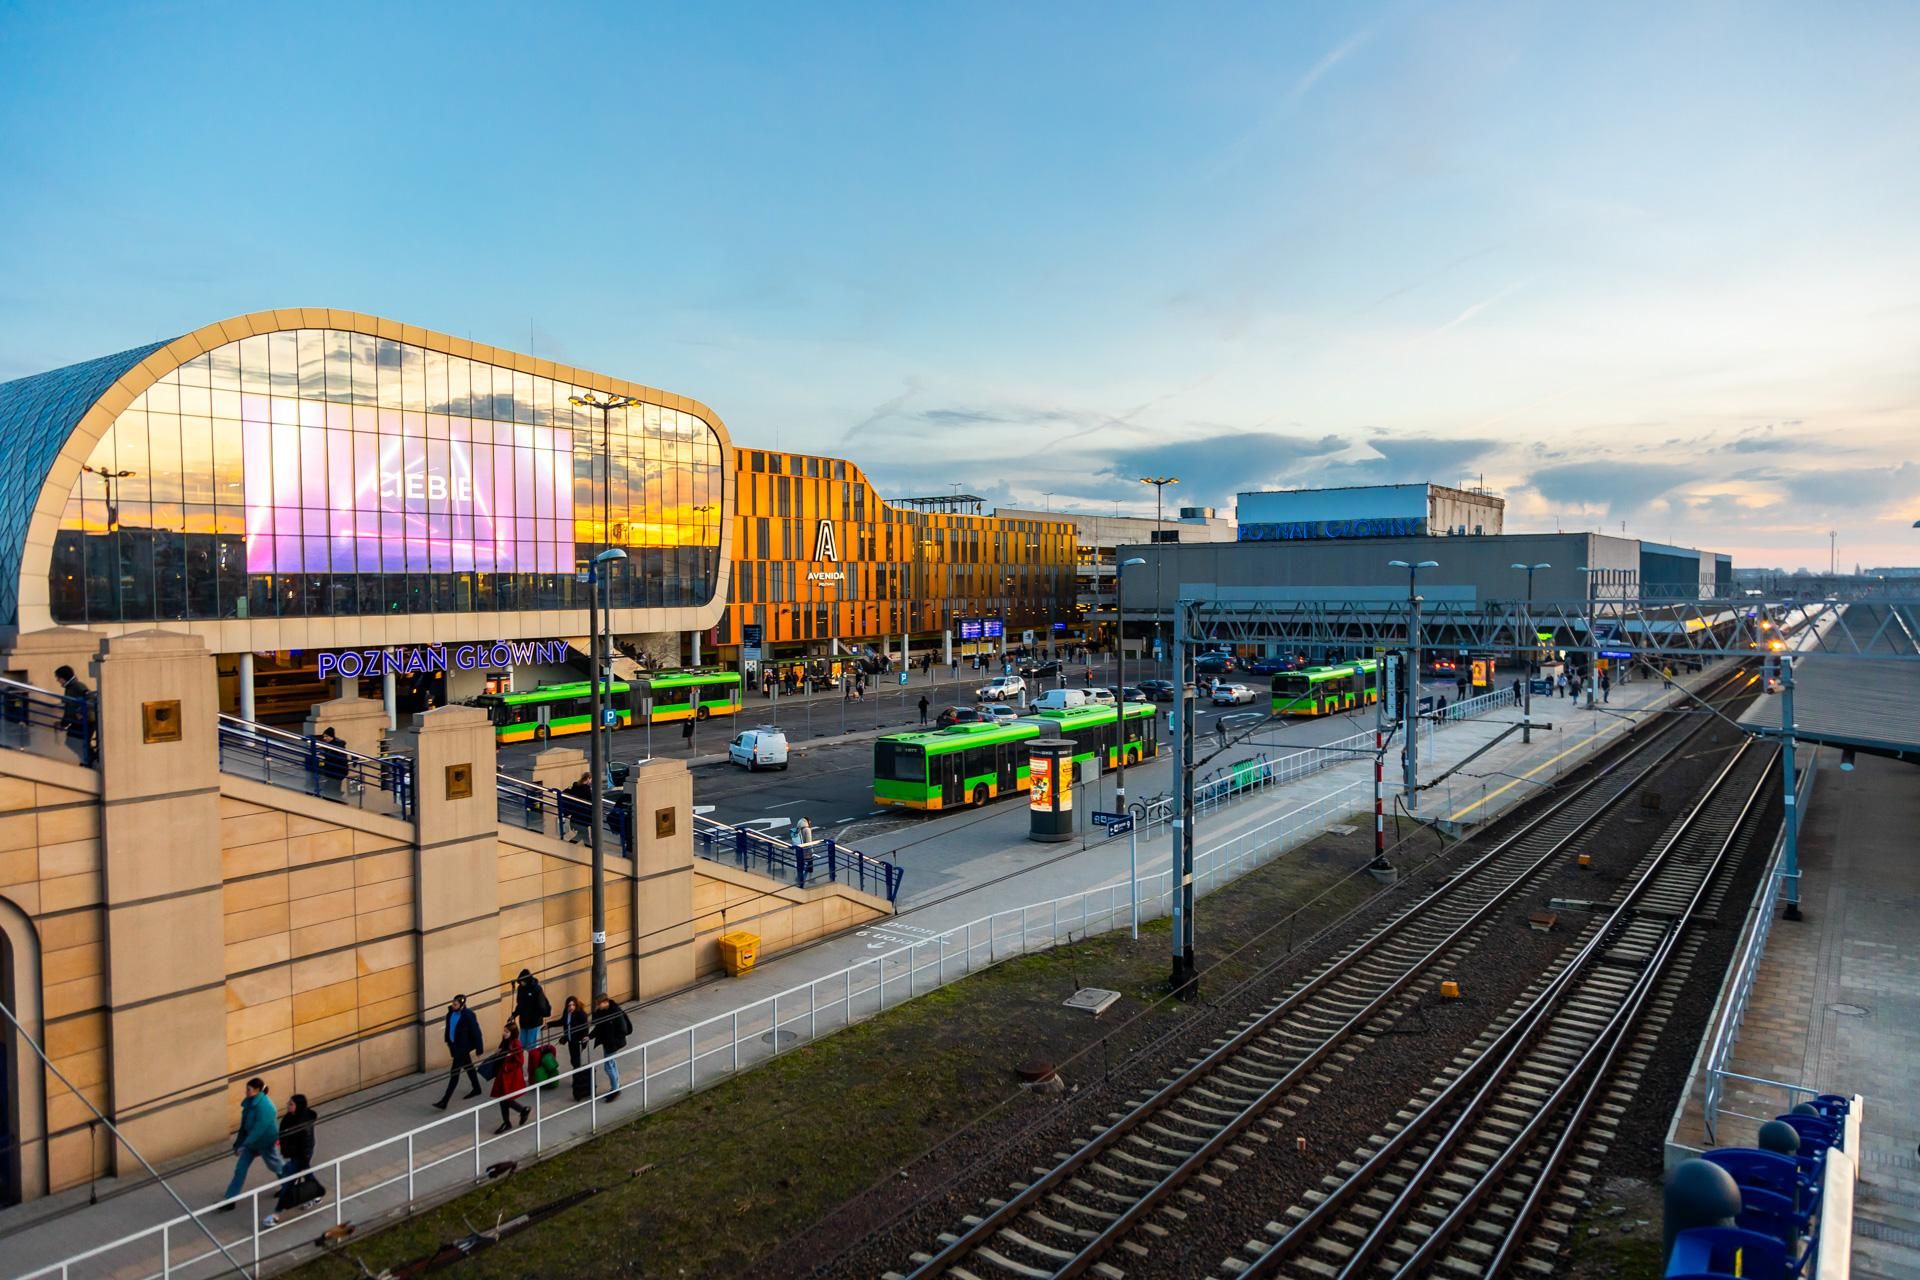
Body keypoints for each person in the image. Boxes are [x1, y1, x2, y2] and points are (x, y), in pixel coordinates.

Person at [219, 1078, 286, 1206]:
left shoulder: (266, 1106)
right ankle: (230, 1199)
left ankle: (289, 1186)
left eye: (248, 1089)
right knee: (240, 1170)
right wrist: (238, 1143)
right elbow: (244, 1126)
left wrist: (244, 1144)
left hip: (265, 1142)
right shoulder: (249, 1103)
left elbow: (259, 1129)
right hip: (251, 1143)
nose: (246, 1091)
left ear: (256, 1090)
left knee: (275, 1165)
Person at [263, 1094, 324, 1224]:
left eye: (291, 1104)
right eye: (289, 1103)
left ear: (298, 1106)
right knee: (306, 1174)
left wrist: (304, 1160)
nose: (287, 1105)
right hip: (297, 1154)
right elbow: (285, 1134)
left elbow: (306, 1144)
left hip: (301, 1156)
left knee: (288, 1184)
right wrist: (279, 1142)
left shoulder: (303, 1123)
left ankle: (276, 1214)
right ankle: (316, 1194)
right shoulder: (290, 1117)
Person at [433, 993, 486, 1109]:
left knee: (454, 1073)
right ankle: (477, 1088)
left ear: (461, 1004)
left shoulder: (468, 1015)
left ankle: (444, 1101)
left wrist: (479, 1048)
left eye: (455, 1004)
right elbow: (449, 1028)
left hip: (462, 1048)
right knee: (469, 1067)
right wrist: (448, 1040)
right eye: (453, 1003)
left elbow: (476, 1032)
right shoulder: (450, 1013)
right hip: (454, 1046)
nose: (453, 1005)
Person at [489, 1020, 531, 1133]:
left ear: (512, 1033)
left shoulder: (516, 1043)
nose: (504, 1033)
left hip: (509, 1076)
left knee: (504, 1099)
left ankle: (521, 1111)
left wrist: (508, 1067)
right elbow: (503, 1053)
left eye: (507, 1032)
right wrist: (498, 1052)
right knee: (503, 1099)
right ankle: (514, 1117)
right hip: (503, 1074)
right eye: (504, 1031)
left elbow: (520, 1061)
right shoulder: (506, 1041)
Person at [590, 992, 632, 1100]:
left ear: (605, 1002)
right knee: (612, 1063)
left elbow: (623, 1029)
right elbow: (598, 1027)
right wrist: (589, 1036)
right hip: (607, 1043)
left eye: (598, 1004)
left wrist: (612, 1039)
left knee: (608, 1067)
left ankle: (615, 1089)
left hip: (613, 1043)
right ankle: (616, 1086)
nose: (597, 1006)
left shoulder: (615, 1011)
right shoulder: (603, 1011)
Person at [53, 664, 94, 766]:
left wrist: (80, 711)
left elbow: (90, 697)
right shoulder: (69, 688)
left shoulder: (77, 686)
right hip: (78, 721)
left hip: (86, 721)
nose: (58, 681)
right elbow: (68, 709)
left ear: (63, 678)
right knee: (73, 741)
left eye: (58, 678)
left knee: (75, 741)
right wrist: (63, 723)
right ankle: (86, 760)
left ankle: (89, 760)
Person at [558, 995, 593, 1101]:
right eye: (569, 1005)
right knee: (573, 1060)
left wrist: (584, 1040)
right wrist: (549, 1025)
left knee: (576, 1061)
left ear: (576, 1005)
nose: (571, 1007)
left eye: (573, 1005)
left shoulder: (581, 1014)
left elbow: (585, 1029)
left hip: (578, 1041)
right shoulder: (566, 1013)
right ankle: (576, 1077)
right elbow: (562, 1022)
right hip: (570, 1041)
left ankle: (577, 1082)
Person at [513, 969, 550, 1050]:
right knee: (522, 1045)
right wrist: (514, 1014)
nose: (521, 983)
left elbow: (541, 1005)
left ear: (527, 980)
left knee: (532, 1047)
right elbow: (520, 1004)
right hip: (523, 1021)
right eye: (520, 981)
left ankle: (534, 1061)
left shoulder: (537, 989)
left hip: (534, 1022)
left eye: (522, 981)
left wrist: (543, 1014)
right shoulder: (520, 989)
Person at [314, 727, 349, 800]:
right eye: (324, 736)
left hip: (338, 770)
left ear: (331, 736)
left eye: (326, 736)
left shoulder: (337, 745)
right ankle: (336, 798)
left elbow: (335, 755)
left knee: (331, 787)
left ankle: (334, 799)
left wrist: (324, 751)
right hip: (335, 770)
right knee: (334, 786)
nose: (324, 738)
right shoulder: (330, 744)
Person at [563, 772, 593, 843]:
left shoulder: (575, 786)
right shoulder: (586, 788)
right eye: (591, 779)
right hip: (583, 817)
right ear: (588, 778)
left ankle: (567, 846)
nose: (591, 781)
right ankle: (589, 851)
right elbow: (590, 802)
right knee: (585, 837)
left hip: (575, 816)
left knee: (581, 836)